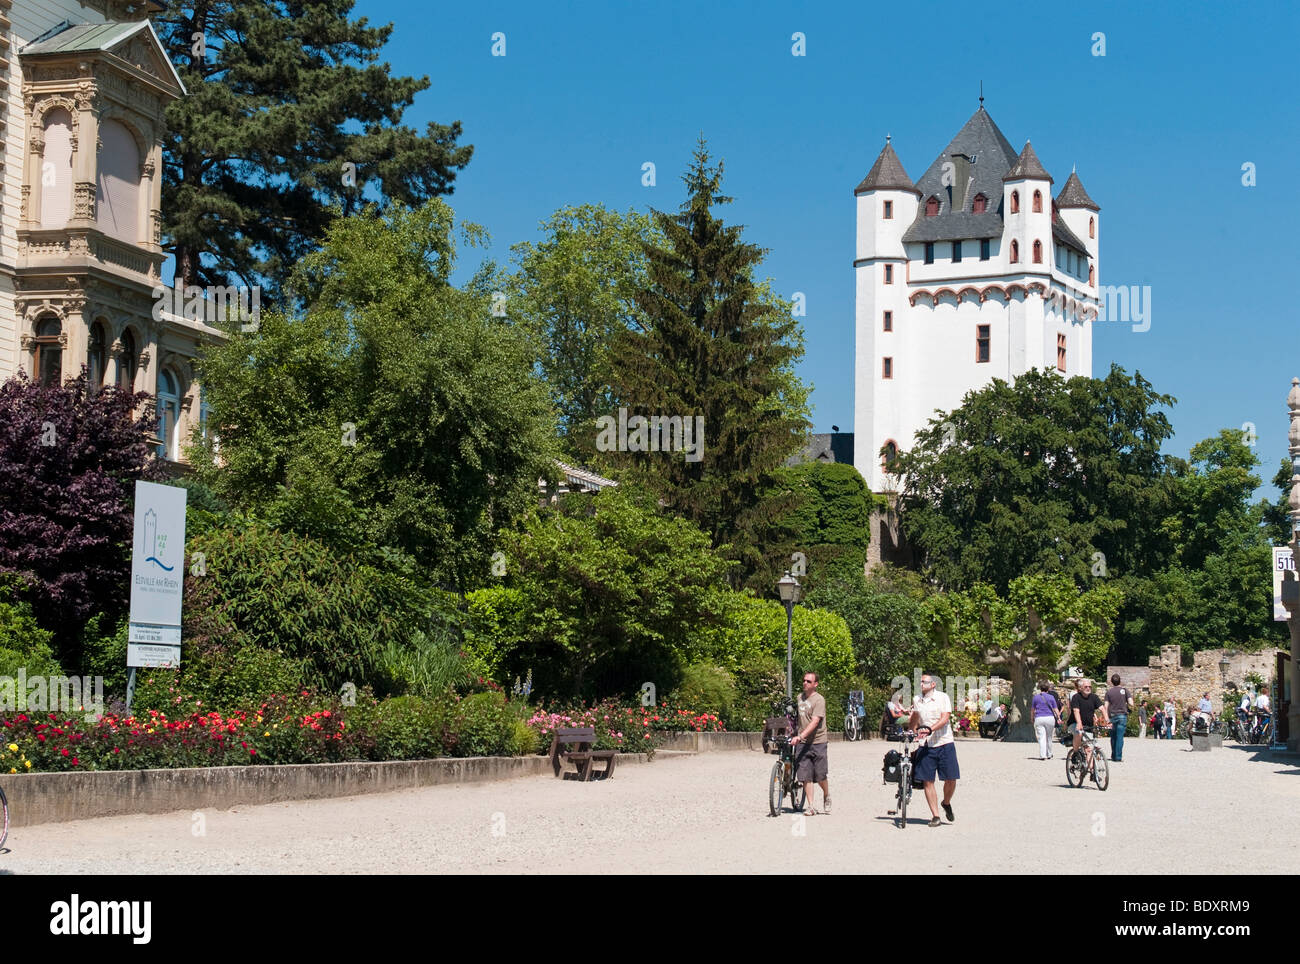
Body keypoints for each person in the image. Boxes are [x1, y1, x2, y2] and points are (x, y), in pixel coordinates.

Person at [909, 672, 959, 827]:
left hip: (944, 742)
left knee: (951, 778)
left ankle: (946, 802)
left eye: (924, 681)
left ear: (933, 684)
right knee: (927, 781)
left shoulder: (943, 697)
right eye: (920, 682)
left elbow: (944, 719)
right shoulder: (917, 700)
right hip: (926, 745)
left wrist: (930, 729)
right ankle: (935, 815)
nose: (921, 684)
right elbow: (916, 719)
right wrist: (912, 731)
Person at [789, 671, 830, 816]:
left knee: (820, 776)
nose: (804, 683)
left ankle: (826, 794)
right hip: (803, 742)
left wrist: (800, 736)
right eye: (804, 680)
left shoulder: (819, 700)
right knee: (805, 775)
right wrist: (793, 732)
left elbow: (815, 722)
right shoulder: (799, 697)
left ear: (815, 684)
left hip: (818, 741)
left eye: (808, 681)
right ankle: (811, 806)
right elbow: (797, 718)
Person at [1069, 679, 1110, 777]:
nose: (1088, 688)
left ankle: (1092, 771)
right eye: (1086, 687)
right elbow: (1076, 711)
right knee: (1078, 732)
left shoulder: (1094, 697)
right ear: (1080, 688)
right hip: (1074, 723)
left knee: (1089, 749)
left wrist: (1107, 720)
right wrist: (1079, 723)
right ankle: (1075, 752)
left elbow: (1102, 709)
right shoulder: (1076, 697)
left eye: (1090, 687)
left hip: (1088, 726)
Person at [1104, 674, 1133, 762]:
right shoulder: (1125, 691)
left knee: (1113, 737)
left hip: (1112, 716)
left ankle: (1113, 755)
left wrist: (1106, 717)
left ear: (1112, 682)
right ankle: (1118, 757)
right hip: (1122, 716)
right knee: (1120, 737)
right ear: (1120, 681)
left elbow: (1105, 706)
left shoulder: (1109, 692)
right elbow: (1131, 703)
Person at [1031, 680, 1061, 760]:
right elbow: (1056, 709)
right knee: (1049, 737)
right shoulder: (1051, 697)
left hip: (1039, 718)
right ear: (1048, 688)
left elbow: (1033, 710)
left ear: (1040, 688)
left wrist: (1032, 718)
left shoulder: (1036, 697)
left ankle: (1042, 755)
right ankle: (1049, 754)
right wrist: (1059, 717)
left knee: (1041, 737)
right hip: (1050, 718)